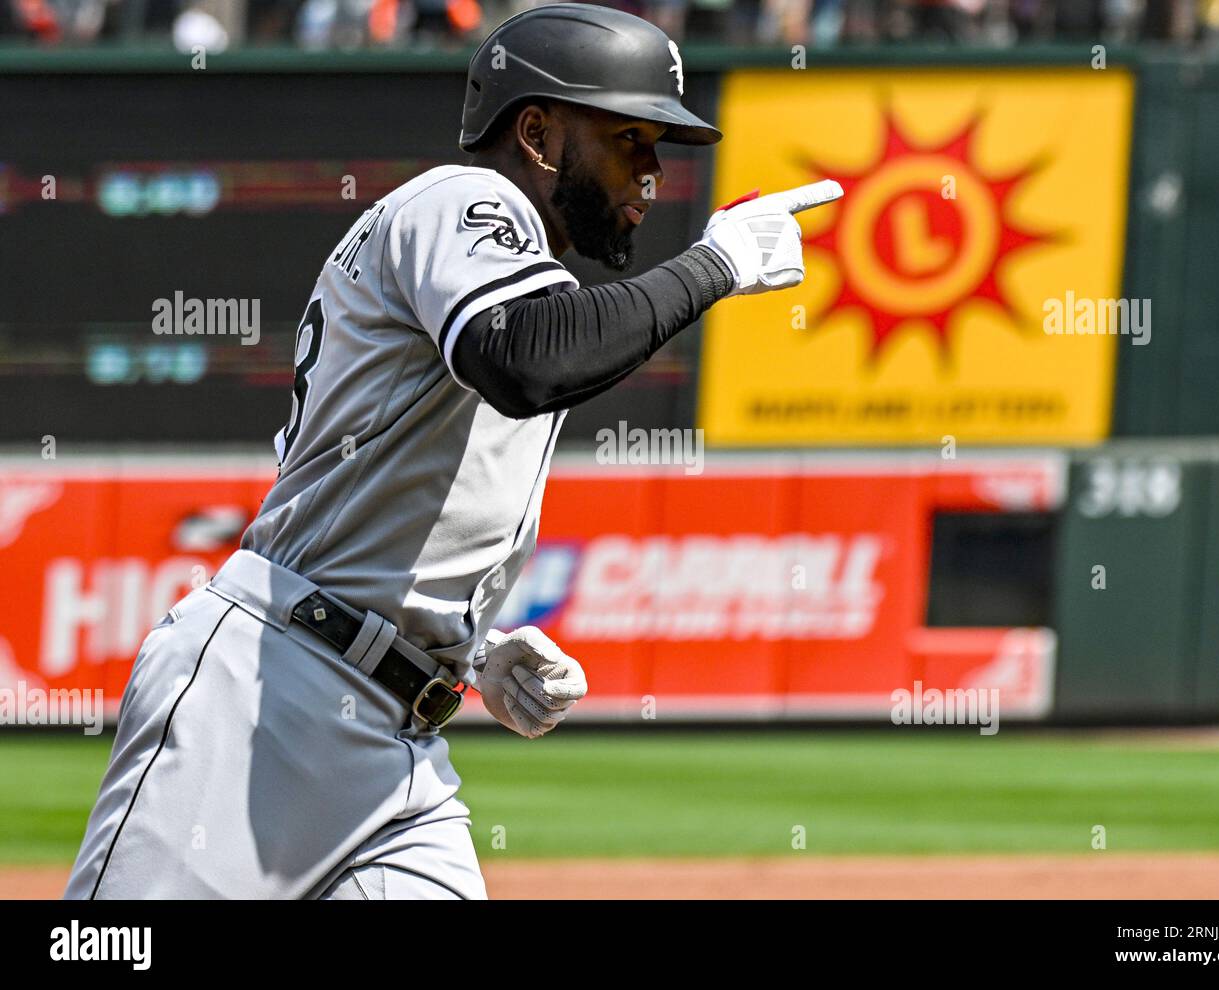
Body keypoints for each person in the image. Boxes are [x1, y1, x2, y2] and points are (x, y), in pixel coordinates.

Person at [64, 1, 829, 900]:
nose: (656, 169)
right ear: (538, 132)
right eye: (631, 136)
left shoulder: (517, 274)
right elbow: (525, 358)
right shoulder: (462, 200)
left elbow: (407, 467)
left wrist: (467, 651)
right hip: (270, 697)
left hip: (396, 737)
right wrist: (717, 266)